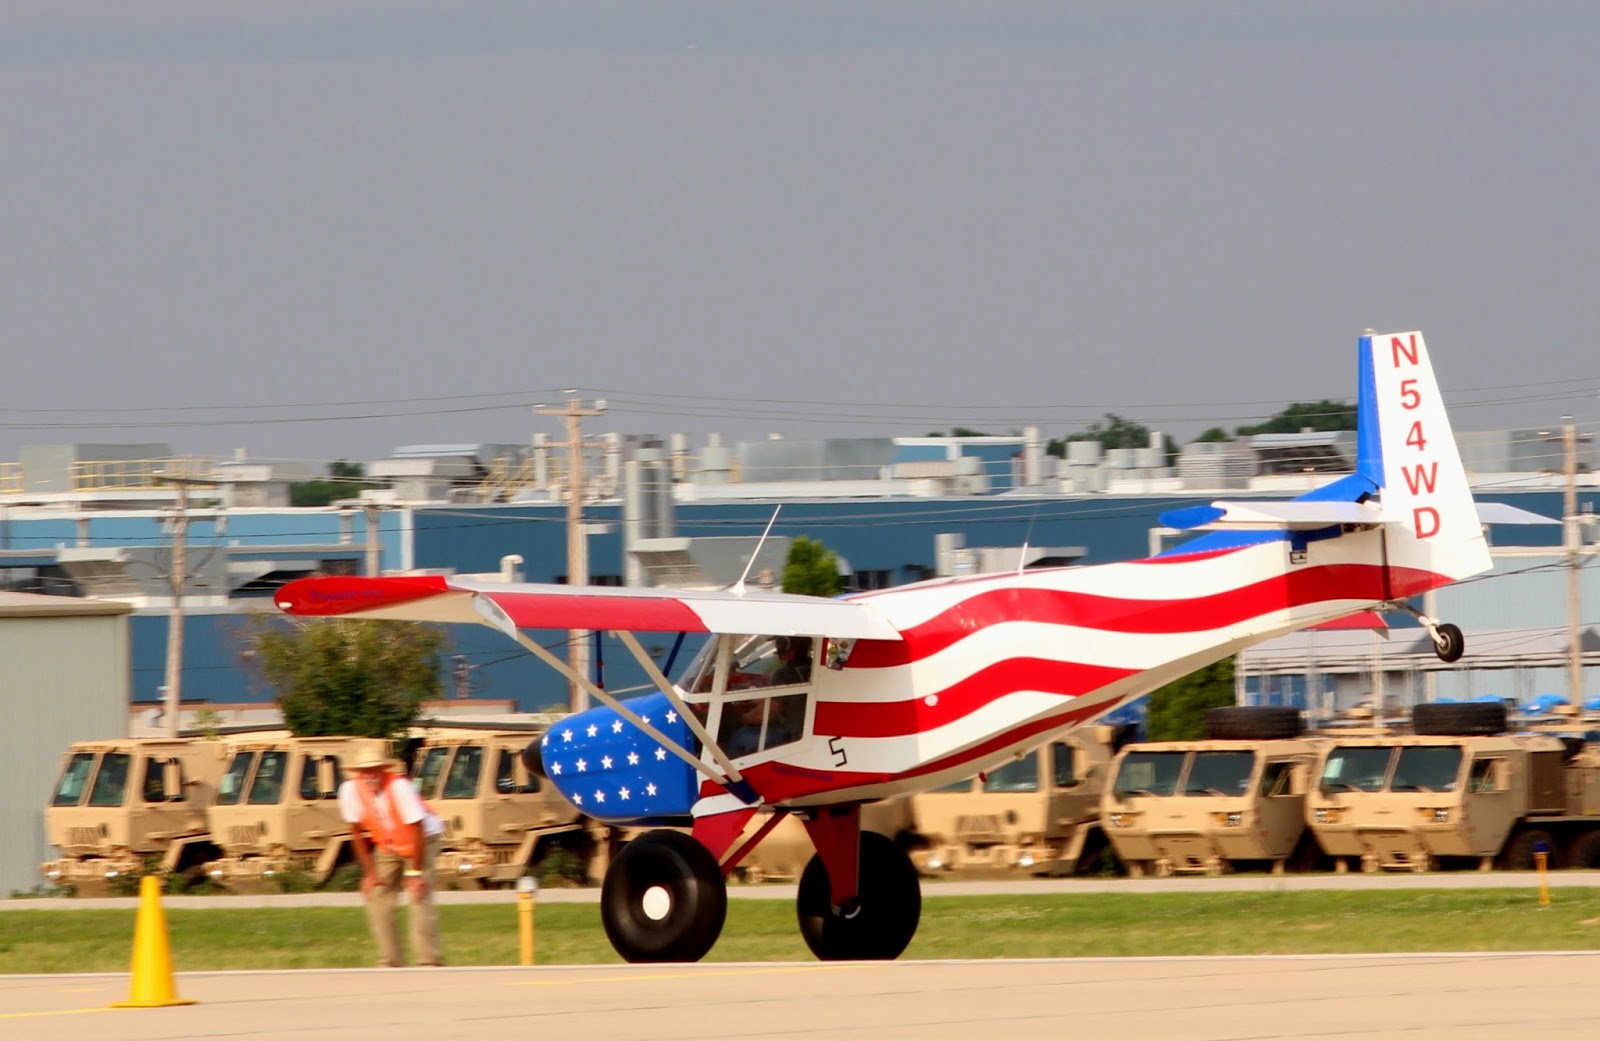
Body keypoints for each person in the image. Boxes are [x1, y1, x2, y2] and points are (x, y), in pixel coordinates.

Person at [337, 751, 445, 968]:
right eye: (364, 772)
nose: (369, 776)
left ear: (382, 770)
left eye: (374, 770)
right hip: (388, 843)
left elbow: (418, 828)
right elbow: (356, 832)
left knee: (418, 893)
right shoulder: (350, 790)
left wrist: (415, 874)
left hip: (422, 839)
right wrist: (370, 873)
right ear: (358, 774)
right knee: (377, 894)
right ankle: (391, 959)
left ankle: (428, 960)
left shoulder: (399, 786)